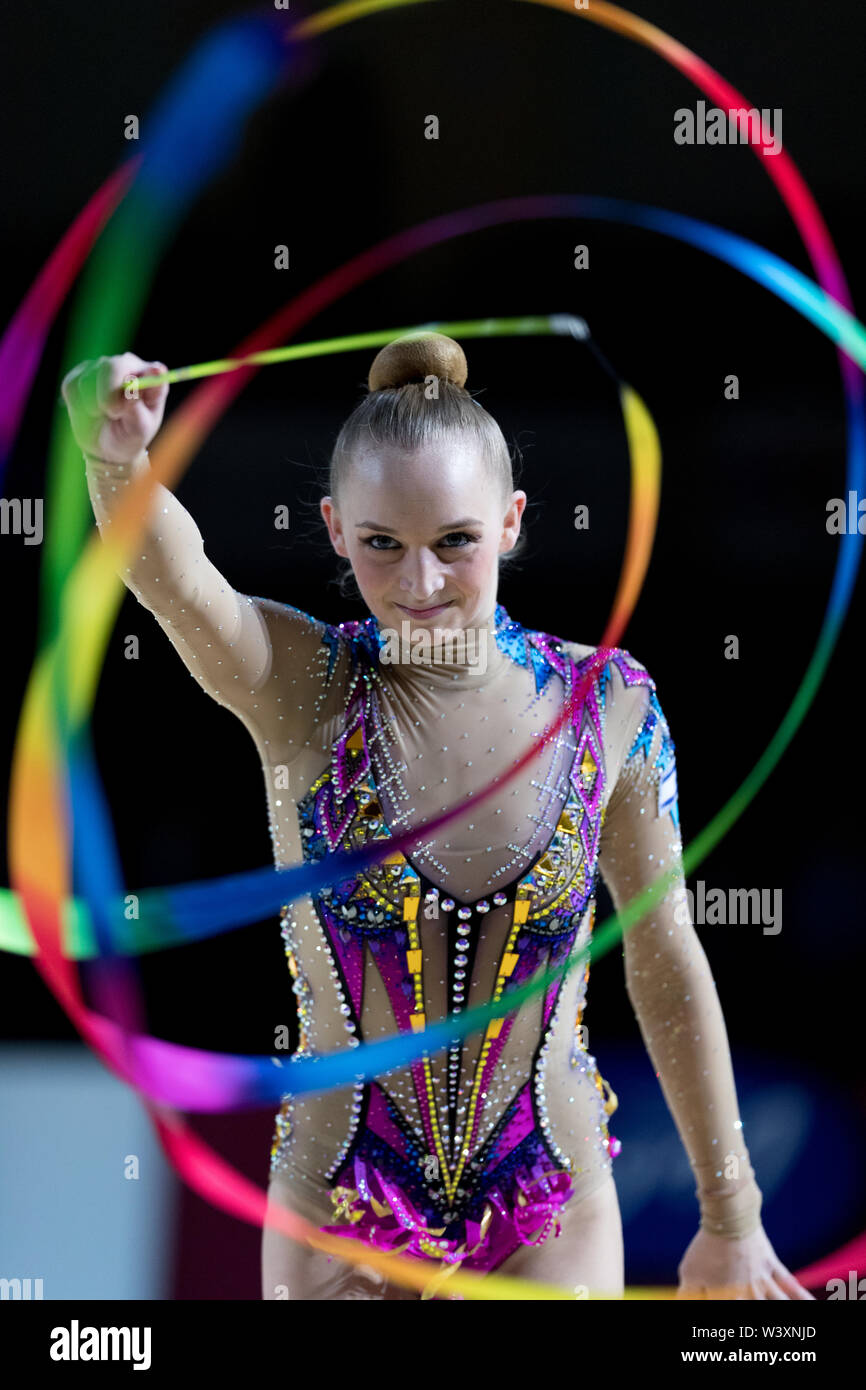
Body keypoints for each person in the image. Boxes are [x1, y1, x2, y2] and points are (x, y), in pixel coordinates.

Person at [61, 332, 812, 1302]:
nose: (418, 586)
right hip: (342, 1195)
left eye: (454, 541)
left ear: (509, 521)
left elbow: (662, 957)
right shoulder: (307, 691)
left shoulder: (608, 705)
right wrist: (110, 461)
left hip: (548, 1196)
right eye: (382, 545)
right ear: (334, 528)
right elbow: (178, 582)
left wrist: (730, 1212)